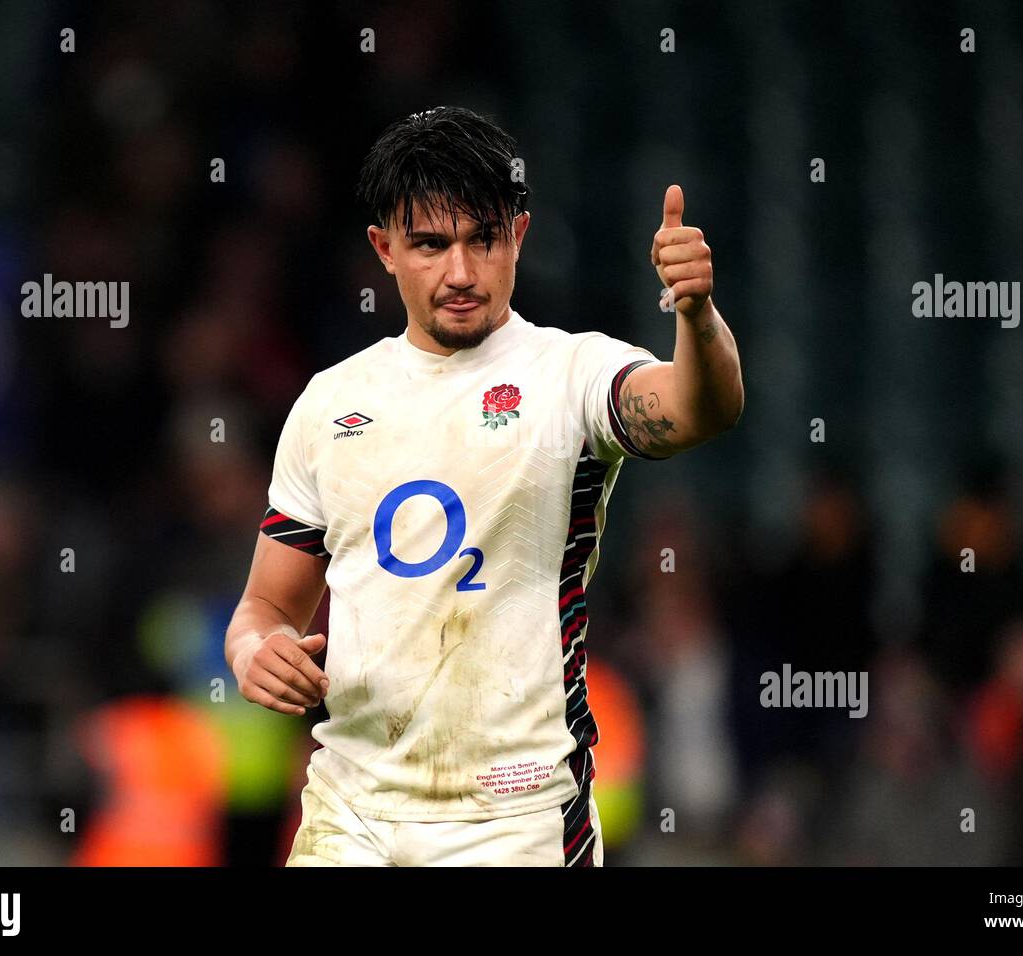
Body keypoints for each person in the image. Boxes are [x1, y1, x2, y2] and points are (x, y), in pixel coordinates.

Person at [224, 106, 744, 866]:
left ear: (519, 237)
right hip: (351, 814)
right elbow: (266, 607)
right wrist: (253, 652)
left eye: (483, 241)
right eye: (431, 245)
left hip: (515, 819)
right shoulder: (329, 404)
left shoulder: (571, 376)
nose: (461, 273)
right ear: (384, 249)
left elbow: (704, 409)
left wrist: (696, 315)